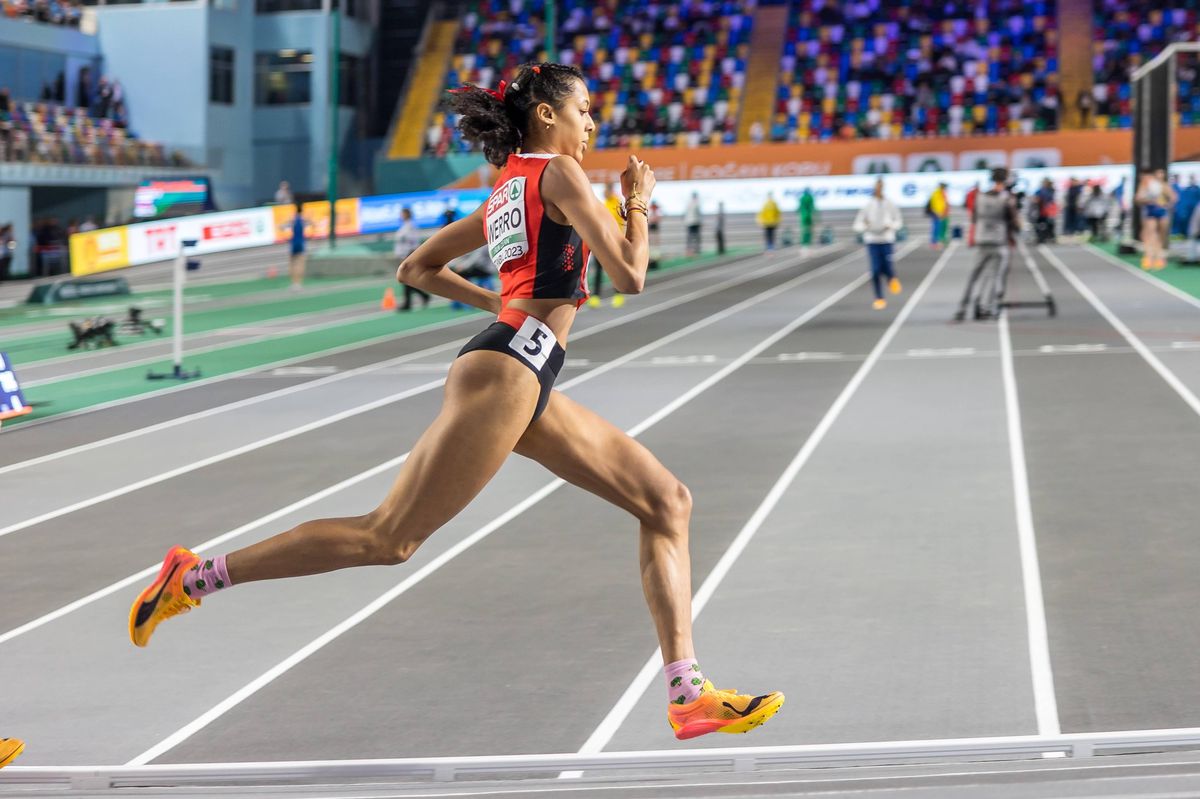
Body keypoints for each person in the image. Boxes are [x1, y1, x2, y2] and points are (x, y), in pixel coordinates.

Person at [128, 61, 784, 741]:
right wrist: (637, 203)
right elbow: (631, 274)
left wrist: (501, 308)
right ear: (547, 115)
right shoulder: (560, 174)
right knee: (387, 538)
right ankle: (193, 577)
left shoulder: (507, 187)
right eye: (584, 109)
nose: (592, 123)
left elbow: (416, 268)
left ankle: (687, 693)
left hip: (520, 366)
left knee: (667, 502)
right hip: (508, 373)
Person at [954, 167, 1018, 321]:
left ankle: (962, 309)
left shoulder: (980, 197)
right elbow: (1015, 223)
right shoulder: (1006, 199)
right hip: (998, 242)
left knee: (973, 276)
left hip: (981, 240)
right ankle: (988, 308)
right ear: (1006, 180)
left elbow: (974, 218)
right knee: (996, 276)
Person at [852, 179, 903, 310]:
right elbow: (857, 224)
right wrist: (865, 226)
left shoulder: (890, 203)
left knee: (887, 266)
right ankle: (879, 298)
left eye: (881, 187)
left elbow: (898, 221)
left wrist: (891, 226)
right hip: (872, 240)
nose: (878, 189)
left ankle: (891, 278)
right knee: (875, 270)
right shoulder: (868, 205)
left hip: (887, 239)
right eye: (877, 187)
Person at [589, 183, 625, 308]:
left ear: (610, 190)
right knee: (598, 270)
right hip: (602, 242)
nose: (603, 193)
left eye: (605, 190)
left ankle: (618, 295)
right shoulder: (604, 204)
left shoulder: (617, 203)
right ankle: (595, 296)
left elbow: (620, 223)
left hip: (614, 242)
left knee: (615, 269)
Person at [1136, 168, 1173, 270]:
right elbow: (1138, 198)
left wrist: (1166, 204)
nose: (1160, 175)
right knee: (1150, 234)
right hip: (1150, 211)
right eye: (1158, 173)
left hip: (1162, 212)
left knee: (1161, 235)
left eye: (1162, 173)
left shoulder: (1164, 186)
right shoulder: (1146, 184)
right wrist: (1149, 200)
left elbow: (1173, 197)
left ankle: (1159, 257)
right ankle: (1149, 257)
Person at [394, 207, 430, 311]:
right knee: (406, 279)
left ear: (407, 214)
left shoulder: (411, 227)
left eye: (402, 214)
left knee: (406, 278)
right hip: (403, 255)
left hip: (407, 256)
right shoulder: (404, 226)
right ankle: (422, 296)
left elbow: (413, 242)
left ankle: (408, 303)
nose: (401, 216)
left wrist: (409, 257)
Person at [288, 203, 306, 290]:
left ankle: (294, 283)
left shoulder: (293, 219)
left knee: (292, 264)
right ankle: (299, 283)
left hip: (293, 242)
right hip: (301, 242)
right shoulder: (303, 219)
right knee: (301, 263)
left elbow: (282, 227)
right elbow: (313, 224)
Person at [926, 183, 949, 248]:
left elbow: (942, 203)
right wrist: (937, 213)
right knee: (936, 228)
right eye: (944, 187)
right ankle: (934, 242)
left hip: (939, 213)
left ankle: (936, 242)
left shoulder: (941, 193)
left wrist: (942, 212)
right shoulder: (936, 193)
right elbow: (934, 204)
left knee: (938, 228)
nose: (945, 189)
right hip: (936, 213)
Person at [797, 188, 816, 254]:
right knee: (809, 230)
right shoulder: (810, 198)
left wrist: (797, 211)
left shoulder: (802, 198)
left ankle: (804, 243)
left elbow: (799, 207)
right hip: (809, 215)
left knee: (804, 230)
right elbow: (813, 207)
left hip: (804, 216)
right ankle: (808, 243)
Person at [683, 192, 701, 256]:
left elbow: (685, 213)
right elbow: (698, 213)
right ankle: (695, 251)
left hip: (689, 222)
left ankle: (689, 251)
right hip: (695, 222)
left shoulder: (689, 203)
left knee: (690, 238)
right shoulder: (696, 203)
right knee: (695, 237)